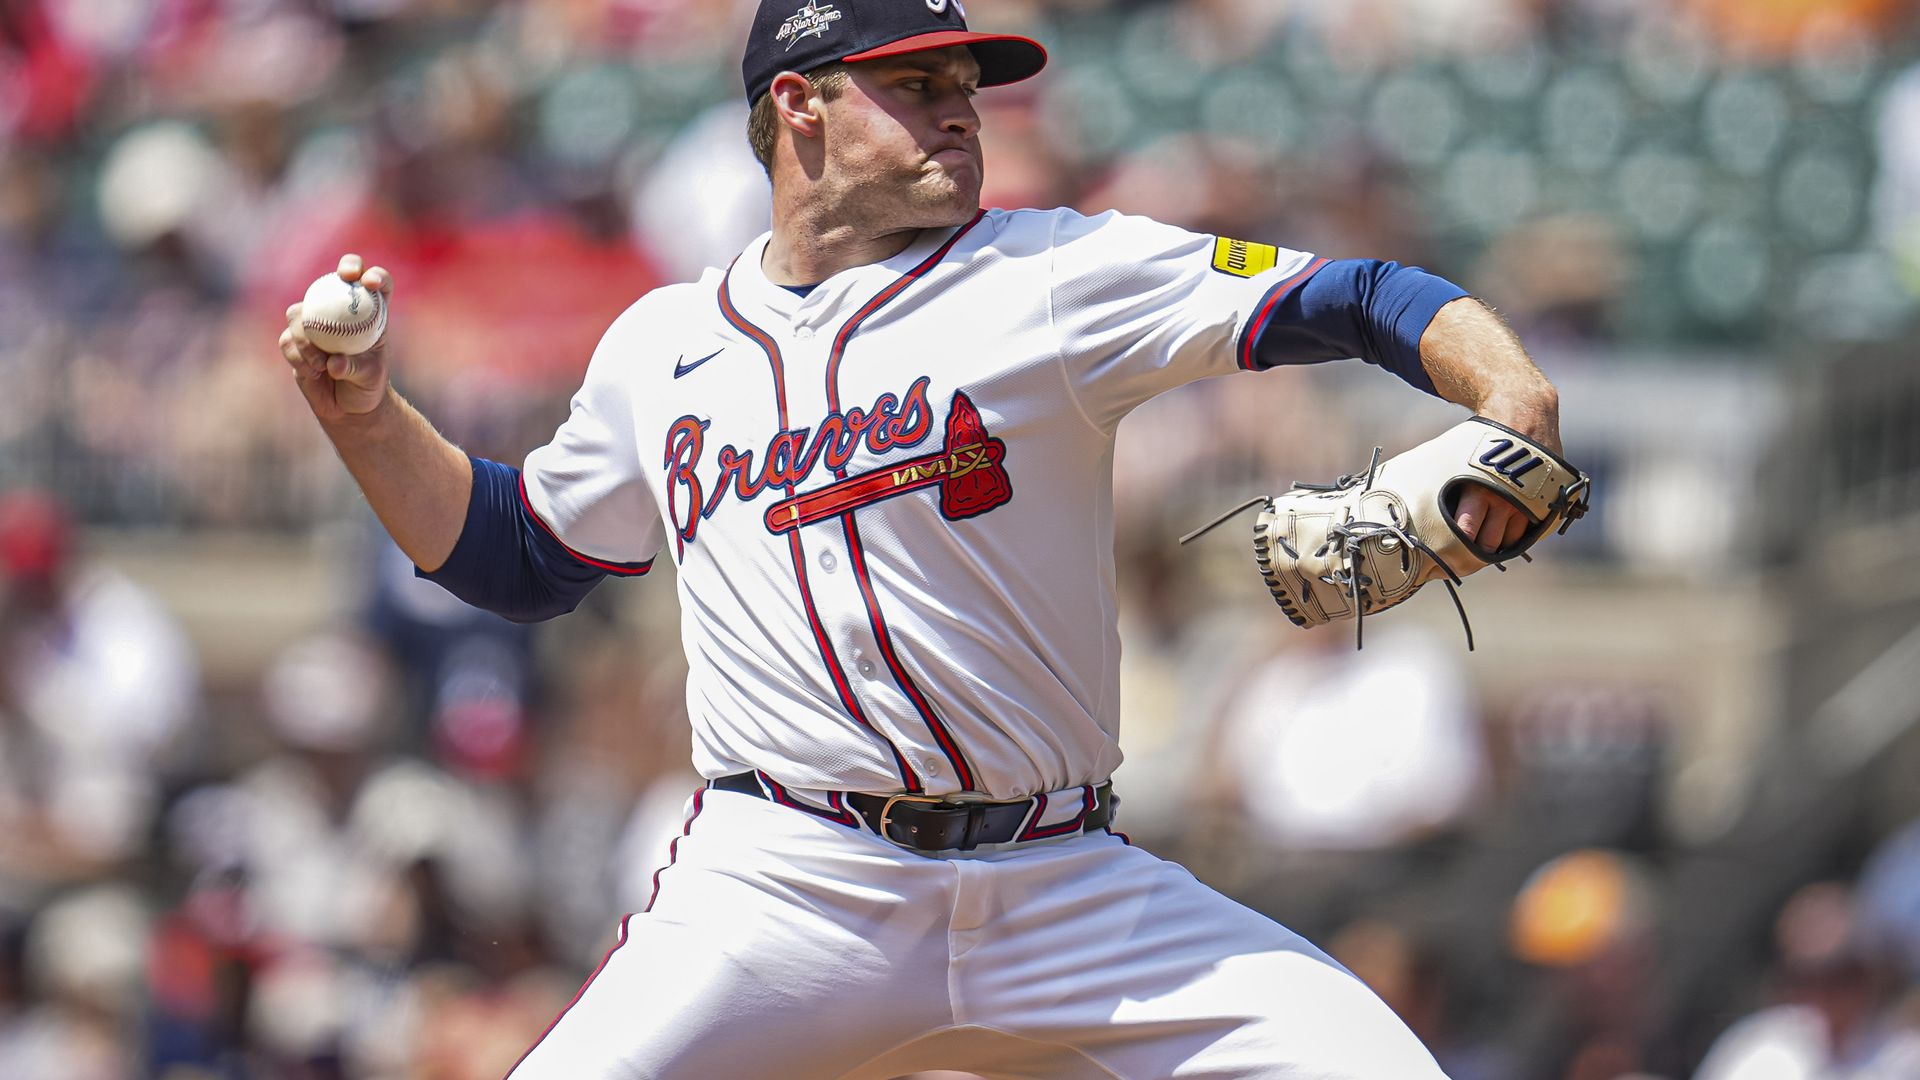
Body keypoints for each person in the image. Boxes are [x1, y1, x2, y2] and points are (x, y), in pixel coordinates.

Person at [275, 2, 1563, 1075]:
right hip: (786, 886)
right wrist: (368, 418)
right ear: (799, 105)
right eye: (917, 84)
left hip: (1063, 881)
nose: (962, 112)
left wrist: (1509, 392)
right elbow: (515, 559)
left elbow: (1357, 295)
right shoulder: (659, 347)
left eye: (967, 86)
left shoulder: (1054, 272)